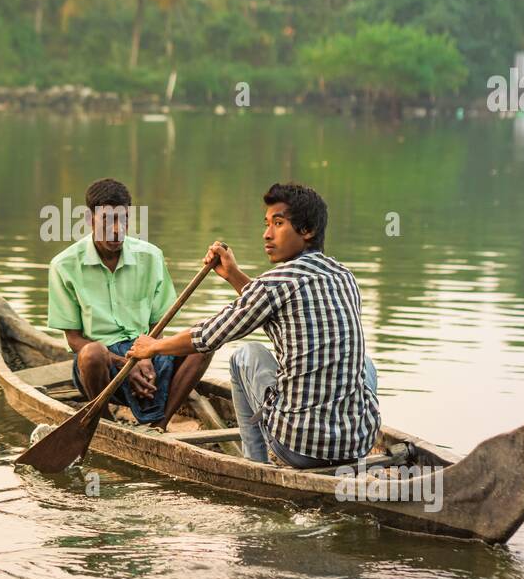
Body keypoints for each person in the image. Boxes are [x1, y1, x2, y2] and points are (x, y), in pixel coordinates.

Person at [127, 182, 380, 467]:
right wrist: (233, 274)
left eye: (278, 223)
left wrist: (154, 346)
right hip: (357, 444)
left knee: (244, 356)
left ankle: (255, 464)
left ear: (306, 231)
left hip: (300, 449)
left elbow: (209, 336)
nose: (267, 234)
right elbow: (270, 305)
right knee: (365, 364)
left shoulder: (276, 283)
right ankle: (349, 443)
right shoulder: (343, 275)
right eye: (267, 223)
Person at [47, 178, 213, 428]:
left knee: (205, 341)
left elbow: (159, 324)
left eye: (123, 220)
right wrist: (125, 362)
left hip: (148, 354)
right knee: (92, 353)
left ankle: (160, 424)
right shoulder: (64, 265)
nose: (116, 230)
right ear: (89, 220)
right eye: (107, 220)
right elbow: (73, 340)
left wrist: (148, 353)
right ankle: (102, 423)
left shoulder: (151, 256)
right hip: (101, 366)